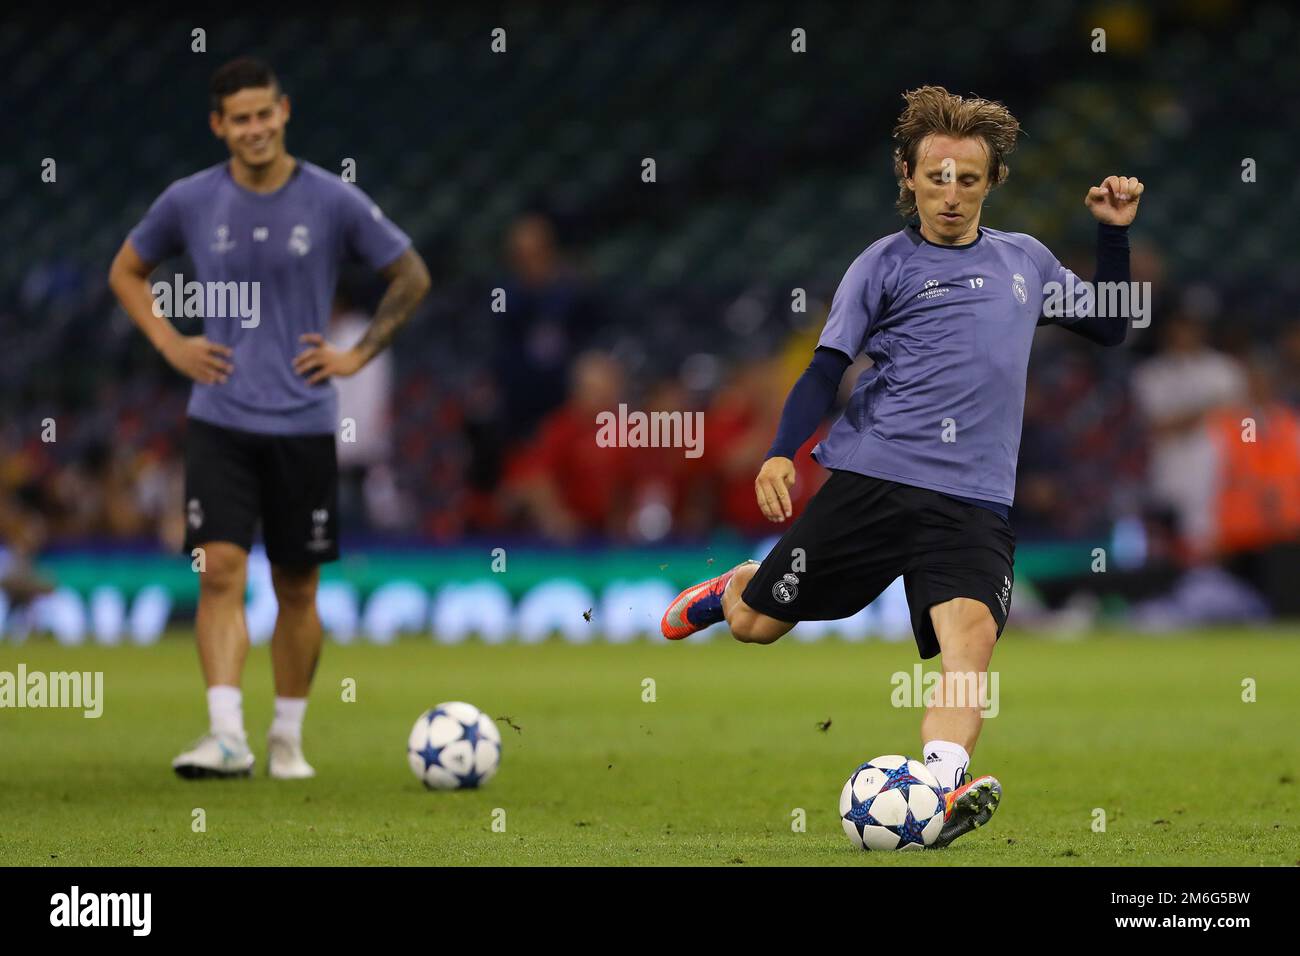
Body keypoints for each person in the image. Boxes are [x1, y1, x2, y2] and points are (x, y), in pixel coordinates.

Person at [660, 86, 1143, 848]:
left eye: (969, 180)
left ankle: (942, 789)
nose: (951, 195)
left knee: (970, 641)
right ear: (908, 177)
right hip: (875, 481)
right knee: (756, 625)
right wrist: (782, 451)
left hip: (975, 501)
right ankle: (736, 587)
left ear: (994, 183)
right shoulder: (883, 264)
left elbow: (1113, 325)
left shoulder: (1027, 262)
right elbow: (825, 368)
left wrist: (1112, 235)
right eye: (936, 177)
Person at [108, 57, 430, 779]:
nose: (254, 129)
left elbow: (411, 274)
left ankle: (286, 736)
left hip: (305, 420)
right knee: (218, 568)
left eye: (264, 113)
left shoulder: (331, 199)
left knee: (296, 586)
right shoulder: (189, 200)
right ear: (219, 126)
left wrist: (358, 355)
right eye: (239, 118)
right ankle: (227, 736)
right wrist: (169, 341)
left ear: (284, 112)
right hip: (219, 415)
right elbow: (125, 269)